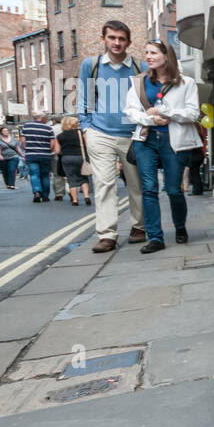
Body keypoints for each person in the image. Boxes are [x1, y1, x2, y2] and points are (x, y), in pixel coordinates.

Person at [123, 38, 201, 253]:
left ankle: (180, 226)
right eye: (146, 52)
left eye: (154, 53)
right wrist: (150, 119)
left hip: (173, 142)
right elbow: (130, 111)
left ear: (167, 56)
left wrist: (166, 113)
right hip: (146, 140)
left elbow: (193, 113)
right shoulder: (138, 82)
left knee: (174, 189)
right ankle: (155, 238)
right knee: (148, 189)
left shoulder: (186, 83)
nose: (148, 57)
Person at [81, 21, 145, 253]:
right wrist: (86, 128)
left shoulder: (140, 67)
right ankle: (107, 234)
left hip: (132, 135)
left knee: (136, 184)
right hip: (100, 133)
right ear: (103, 39)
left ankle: (139, 226)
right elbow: (85, 99)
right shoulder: (91, 65)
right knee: (105, 185)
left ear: (129, 42)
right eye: (112, 38)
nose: (116, 43)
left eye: (121, 38)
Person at [19, 111, 59, 201]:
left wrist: (28, 149)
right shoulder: (48, 128)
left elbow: (22, 141)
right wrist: (46, 149)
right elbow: (52, 143)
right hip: (45, 155)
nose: (46, 119)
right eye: (46, 117)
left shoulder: (26, 126)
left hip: (31, 155)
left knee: (34, 174)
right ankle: (45, 196)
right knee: (45, 175)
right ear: (42, 118)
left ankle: (37, 192)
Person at [57, 116, 92, 206]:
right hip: (80, 157)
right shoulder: (80, 133)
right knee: (83, 178)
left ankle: (75, 200)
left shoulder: (60, 136)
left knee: (71, 179)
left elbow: (57, 151)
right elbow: (87, 145)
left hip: (67, 158)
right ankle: (86, 197)